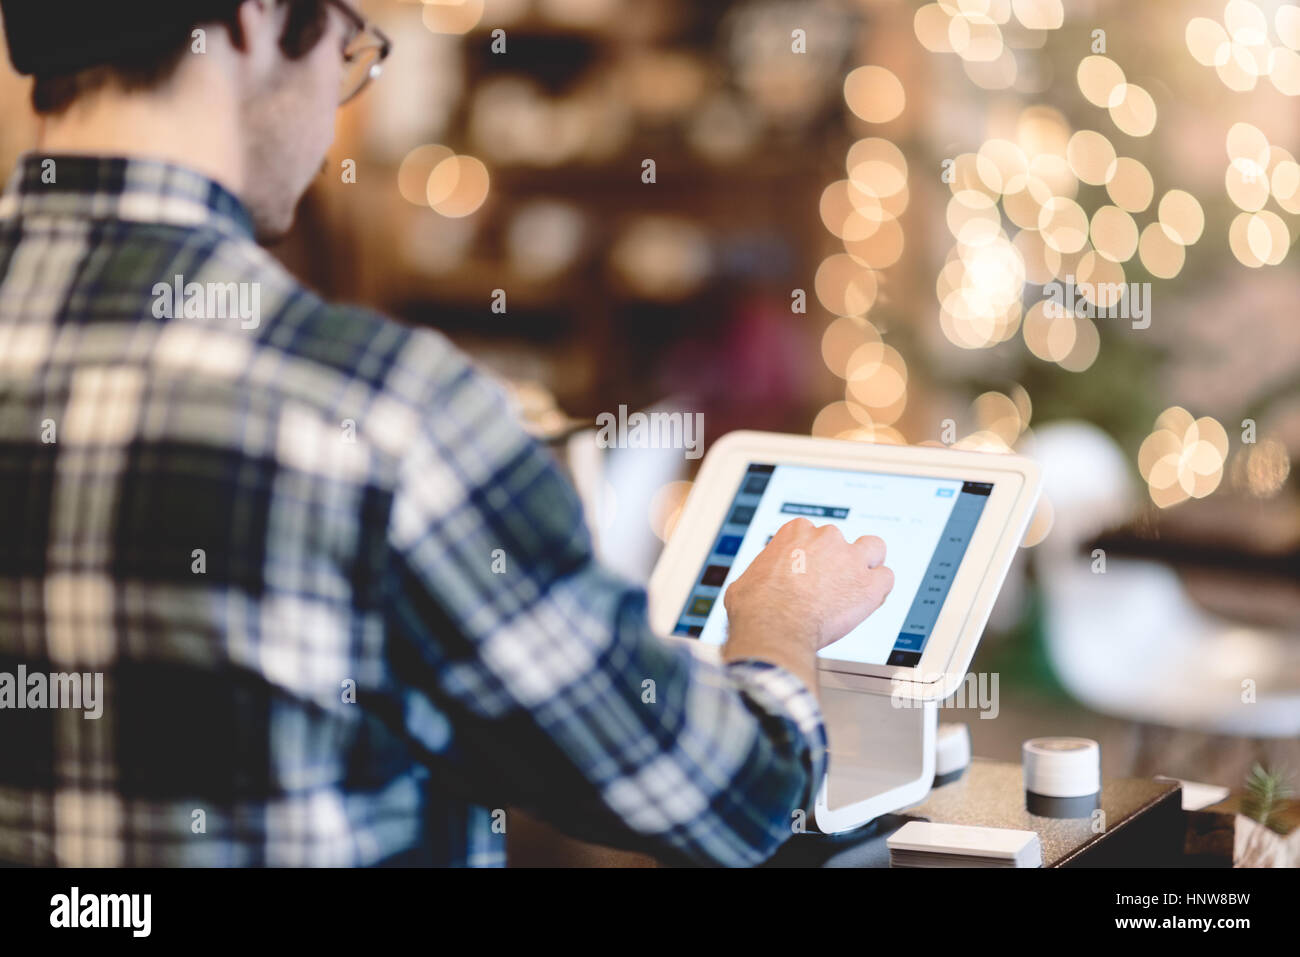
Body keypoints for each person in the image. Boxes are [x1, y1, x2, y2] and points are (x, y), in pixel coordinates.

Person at [0, 0, 893, 866]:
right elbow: (735, 797)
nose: (335, 108)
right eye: (348, 46)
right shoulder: (385, 413)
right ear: (257, 17)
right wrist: (782, 614)